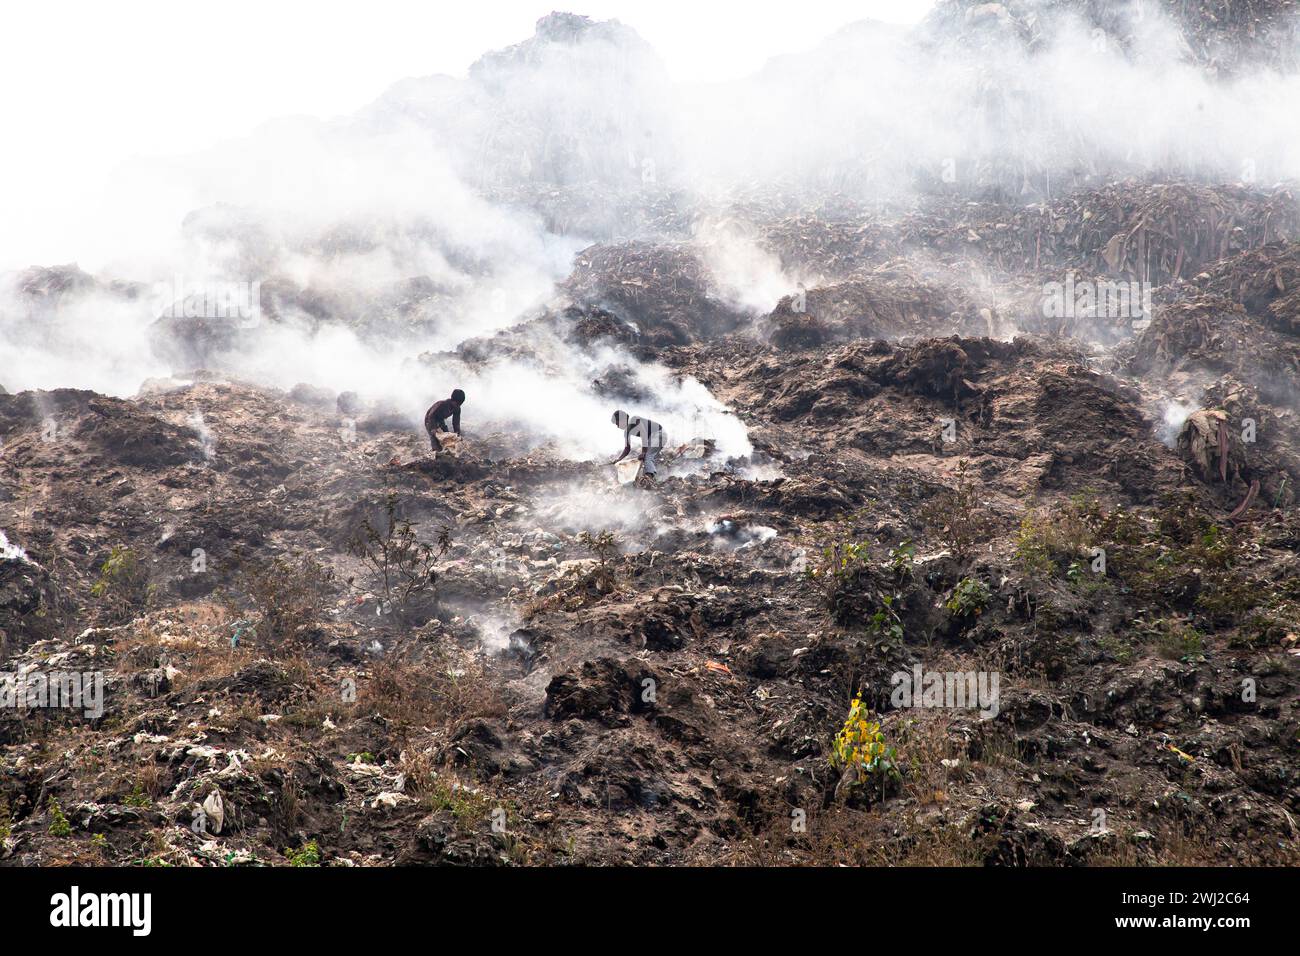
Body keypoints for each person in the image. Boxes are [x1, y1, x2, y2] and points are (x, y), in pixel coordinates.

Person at [611, 409, 665, 481]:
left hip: (659, 434)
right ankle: (649, 476)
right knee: (645, 457)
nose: (617, 426)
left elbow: (644, 434)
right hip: (651, 438)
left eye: (617, 423)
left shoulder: (635, 419)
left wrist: (643, 452)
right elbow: (627, 449)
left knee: (647, 456)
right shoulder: (626, 432)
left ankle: (650, 478)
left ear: (622, 419)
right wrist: (619, 459)